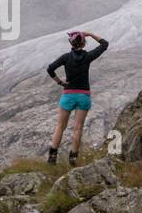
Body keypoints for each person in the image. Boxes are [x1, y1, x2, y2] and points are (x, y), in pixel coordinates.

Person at [45, 29, 109, 165]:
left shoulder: (66, 57)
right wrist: (91, 34)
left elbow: (50, 69)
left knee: (60, 126)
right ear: (83, 43)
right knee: (78, 128)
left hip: (68, 95)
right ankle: (73, 158)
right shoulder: (88, 56)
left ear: (71, 43)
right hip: (83, 96)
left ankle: (52, 156)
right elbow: (104, 44)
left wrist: (60, 82)